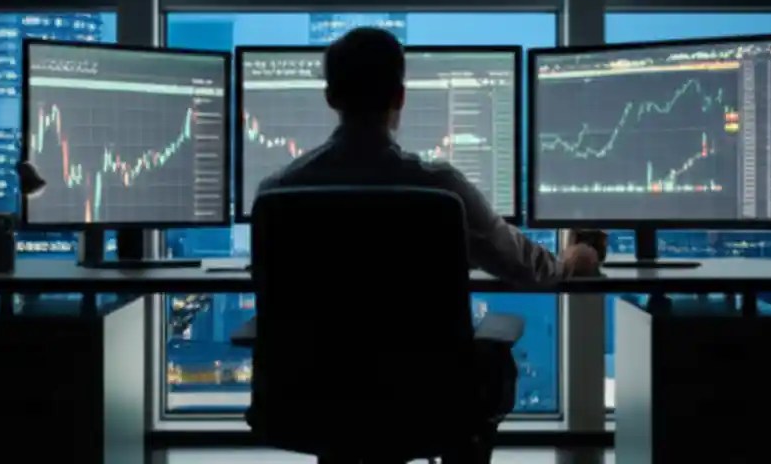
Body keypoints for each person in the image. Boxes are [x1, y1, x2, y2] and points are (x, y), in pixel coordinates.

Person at [256, 26, 602, 463]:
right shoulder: (440, 189)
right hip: (424, 401)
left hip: (312, 400)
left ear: (330, 97)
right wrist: (572, 259)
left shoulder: (276, 192)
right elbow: (525, 267)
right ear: (400, 97)